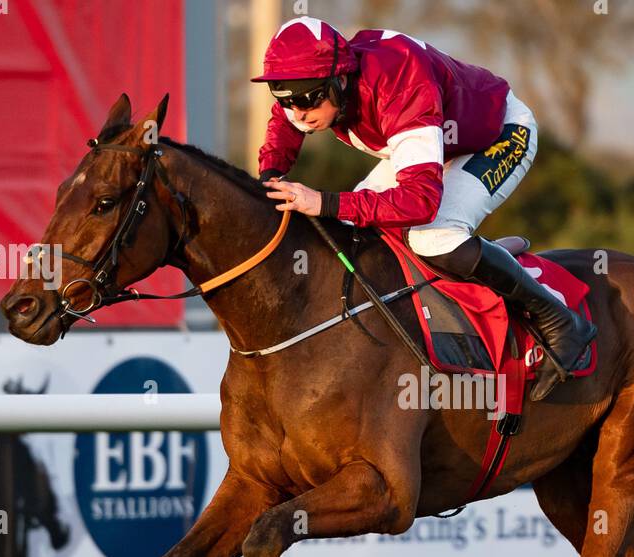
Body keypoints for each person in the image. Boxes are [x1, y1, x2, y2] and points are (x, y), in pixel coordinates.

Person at [252, 15, 596, 402]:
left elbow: (420, 201)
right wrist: (271, 172)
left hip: (497, 136)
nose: (298, 112)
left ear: (341, 78)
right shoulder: (313, 89)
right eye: (286, 99)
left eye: (308, 98)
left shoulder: (396, 80)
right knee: (350, 226)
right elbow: (283, 125)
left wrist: (324, 201)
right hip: (432, 142)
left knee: (435, 236)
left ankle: (561, 320)